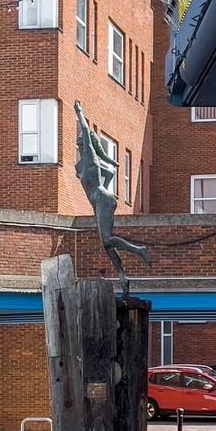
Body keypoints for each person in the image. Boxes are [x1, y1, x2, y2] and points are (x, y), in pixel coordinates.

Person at [73, 100, 151, 295]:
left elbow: (85, 129)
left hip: (102, 199)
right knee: (106, 245)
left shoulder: (90, 157)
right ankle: (122, 276)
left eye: (81, 143)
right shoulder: (82, 164)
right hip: (98, 201)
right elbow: (109, 173)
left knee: (107, 239)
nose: (79, 145)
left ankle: (139, 250)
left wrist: (79, 112)